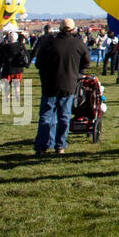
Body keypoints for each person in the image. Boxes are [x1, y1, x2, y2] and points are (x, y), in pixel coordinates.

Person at [34, 18, 91, 157]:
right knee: (64, 116)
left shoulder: (48, 42)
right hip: (68, 85)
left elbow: (38, 63)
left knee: (47, 116)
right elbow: (87, 62)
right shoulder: (78, 43)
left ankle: (43, 145)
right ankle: (60, 145)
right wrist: (78, 73)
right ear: (73, 29)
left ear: (59, 28)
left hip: (49, 84)